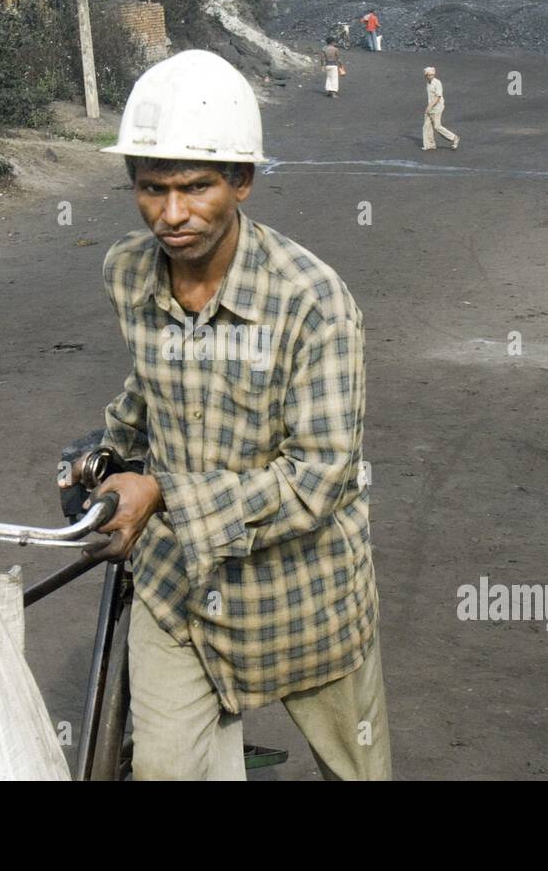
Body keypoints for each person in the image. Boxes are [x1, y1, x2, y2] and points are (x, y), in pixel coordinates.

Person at [80, 49, 389, 781]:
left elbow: (317, 478)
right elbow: (151, 382)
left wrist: (163, 494)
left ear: (242, 181)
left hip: (304, 593)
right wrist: (110, 451)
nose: (173, 214)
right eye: (152, 189)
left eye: (195, 187)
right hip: (178, 586)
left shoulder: (313, 303)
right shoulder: (126, 272)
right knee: (164, 771)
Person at [422, 66, 459, 151]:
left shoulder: (437, 82)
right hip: (430, 107)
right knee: (426, 126)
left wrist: (430, 106)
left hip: (437, 107)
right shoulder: (428, 83)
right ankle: (430, 145)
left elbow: (438, 97)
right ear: (426, 76)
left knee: (437, 126)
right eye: (429, 75)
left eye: (432, 74)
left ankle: (454, 138)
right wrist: (429, 106)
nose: (431, 76)